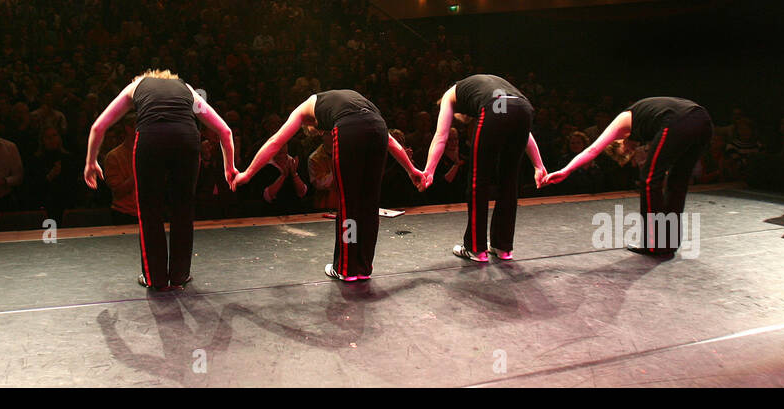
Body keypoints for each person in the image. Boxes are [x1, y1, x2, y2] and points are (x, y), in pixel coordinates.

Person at [235, 89, 422, 282]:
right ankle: (364, 268)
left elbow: (275, 141)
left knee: (348, 204)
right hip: (379, 127)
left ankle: (346, 269)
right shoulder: (342, 101)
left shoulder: (304, 109)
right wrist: (411, 170)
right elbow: (390, 141)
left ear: (310, 123)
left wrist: (248, 173)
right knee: (369, 204)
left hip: (350, 129)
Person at [84, 70, 236, 292]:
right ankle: (179, 277)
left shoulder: (135, 86)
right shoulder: (187, 89)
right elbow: (225, 130)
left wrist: (90, 162)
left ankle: (155, 279)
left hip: (151, 138)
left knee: (149, 210)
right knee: (183, 209)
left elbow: (98, 126)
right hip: (187, 138)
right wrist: (229, 167)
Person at [543, 96, 713, 257]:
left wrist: (566, 170)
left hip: (681, 120)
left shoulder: (621, 123)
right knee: (677, 182)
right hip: (702, 121)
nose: (631, 151)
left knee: (649, 180)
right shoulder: (645, 127)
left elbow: (593, 150)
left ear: (620, 141)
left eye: (626, 151)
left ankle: (654, 243)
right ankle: (669, 241)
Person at [422, 75, 548, 263]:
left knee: (477, 181)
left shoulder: (449, 96)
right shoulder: (482, 87)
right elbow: (523, 130)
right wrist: (539, 165)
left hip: (494, 108)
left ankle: (475, 248)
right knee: (509, 180)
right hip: (523, 108)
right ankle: (503, 247)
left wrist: (429, 171)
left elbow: (441, 136)